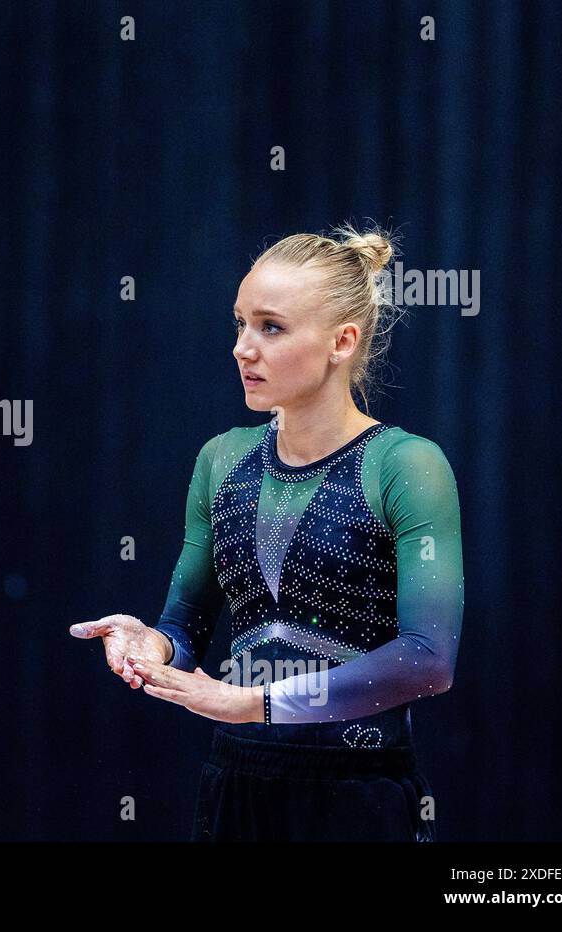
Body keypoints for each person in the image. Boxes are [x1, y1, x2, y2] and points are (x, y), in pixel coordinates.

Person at [71, 224, 463, 841]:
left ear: (341, 341)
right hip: (238, 788)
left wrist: (254, 703)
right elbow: (186, 627)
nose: (241, 348)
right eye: (239, 323)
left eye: (270, 328)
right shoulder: (221, 460)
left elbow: (427, 661)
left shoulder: (406, 465)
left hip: (358, 794)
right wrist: (152, 644)